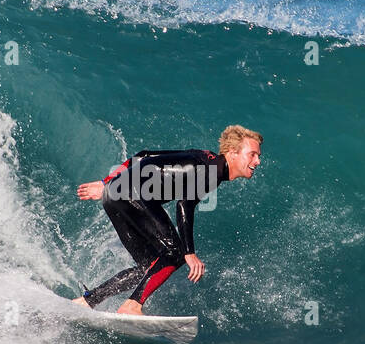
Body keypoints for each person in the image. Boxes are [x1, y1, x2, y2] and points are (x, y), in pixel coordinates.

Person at [73, 125, 263, 315]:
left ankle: (87, 301)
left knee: (150, 266)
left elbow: (144, 155)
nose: (258, 161)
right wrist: (189, 252)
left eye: (258, 155)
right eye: (252, 154)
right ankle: (132, 306)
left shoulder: (203, 158)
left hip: (115, 193)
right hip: (133, 193)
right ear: (233, 153)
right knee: (175, 252)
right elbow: (185, 204)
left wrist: (107, 183)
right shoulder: (214, 170)